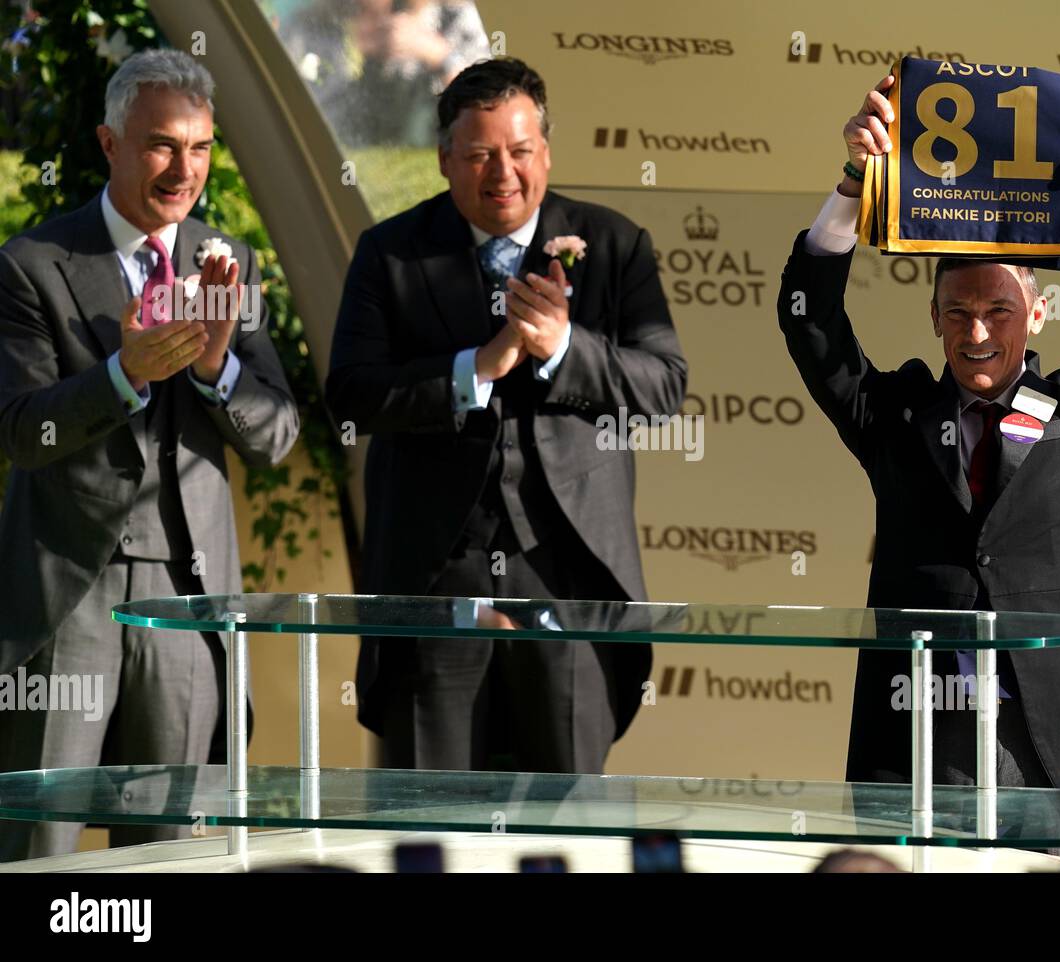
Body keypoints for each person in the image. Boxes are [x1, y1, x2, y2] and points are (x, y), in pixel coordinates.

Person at [778, 74, 1060, 788]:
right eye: (957, 313)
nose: (976, 333)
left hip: (1053, 747)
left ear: (1038, 315)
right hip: (915, 732)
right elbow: (808, 321)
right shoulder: (893, 415)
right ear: (934, 317)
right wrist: (855, 183)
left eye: (999, 311)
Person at [327, 57, 686, 774]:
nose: (503, 174)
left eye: (520, 152)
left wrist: (562, 348)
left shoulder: (613, 244)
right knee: (426, 818)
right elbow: (353, 394)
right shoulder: (390, 253)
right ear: (443, 159)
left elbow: (664, 385)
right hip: (434, 578)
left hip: (568, 576)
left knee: (567, 816)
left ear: (546, 153)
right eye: (481, 155)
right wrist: (475, 369)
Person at [0, 49, 299, 860]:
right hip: (69, 601)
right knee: (40, 848)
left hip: (189, 604)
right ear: (110, 142)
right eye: (163, 145)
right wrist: (123, 373)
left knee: (175, 853)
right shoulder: (33, 267)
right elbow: (22, 432)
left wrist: (216, 369)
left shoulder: (229, 265)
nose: (184, 169)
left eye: (200, 149)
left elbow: (275, 433)